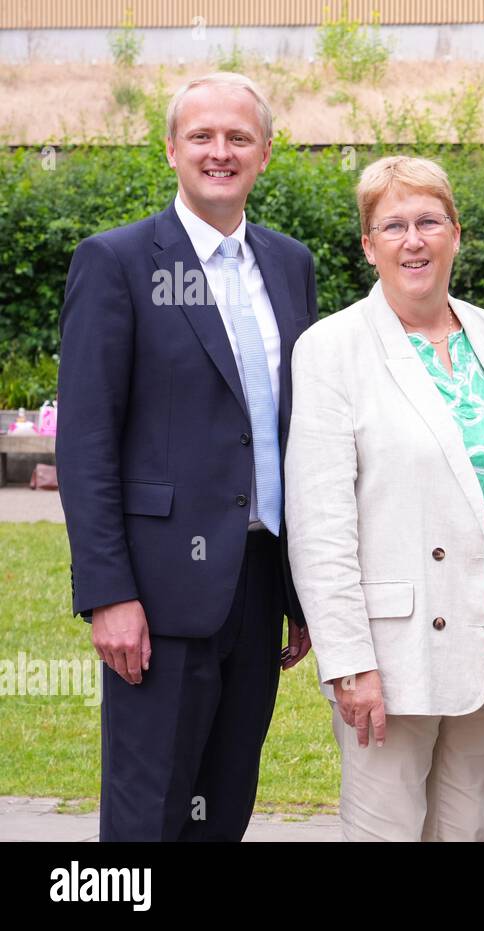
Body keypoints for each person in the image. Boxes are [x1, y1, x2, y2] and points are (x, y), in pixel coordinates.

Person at [57, 72, 317, 841]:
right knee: (148, 815)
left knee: (225, 802)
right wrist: (109, 593)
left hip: (261, 578)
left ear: (265, 153)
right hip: (159, 592)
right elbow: (87, 442)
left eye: (238, 137)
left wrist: (301, 594)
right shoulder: (117, 262)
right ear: (171, 149)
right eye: (201, 135)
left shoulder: (289, 262)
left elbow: (292, 424)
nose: (220, 151)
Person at [285, 156, 484, 842]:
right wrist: (347, 662)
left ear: (456, 233)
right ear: (369, 245)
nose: (414, 240)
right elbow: (320, 524)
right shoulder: (331, 349)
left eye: (429, 220)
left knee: (465, 830)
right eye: (392, 225)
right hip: (391, 654)